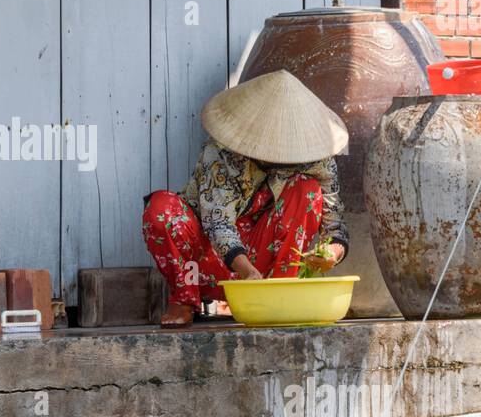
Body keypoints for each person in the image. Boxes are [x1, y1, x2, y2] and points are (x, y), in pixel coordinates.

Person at [142, 70, 350, 327]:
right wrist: (247, 272)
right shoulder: (220, 153)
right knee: (161, 208)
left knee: (306, 190)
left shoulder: (317, 158)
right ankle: (185, 300)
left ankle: (281, 292)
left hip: (265, 254)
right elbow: (218, 224)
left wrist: (332, 252)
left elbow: (335, 223)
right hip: (210, 258)